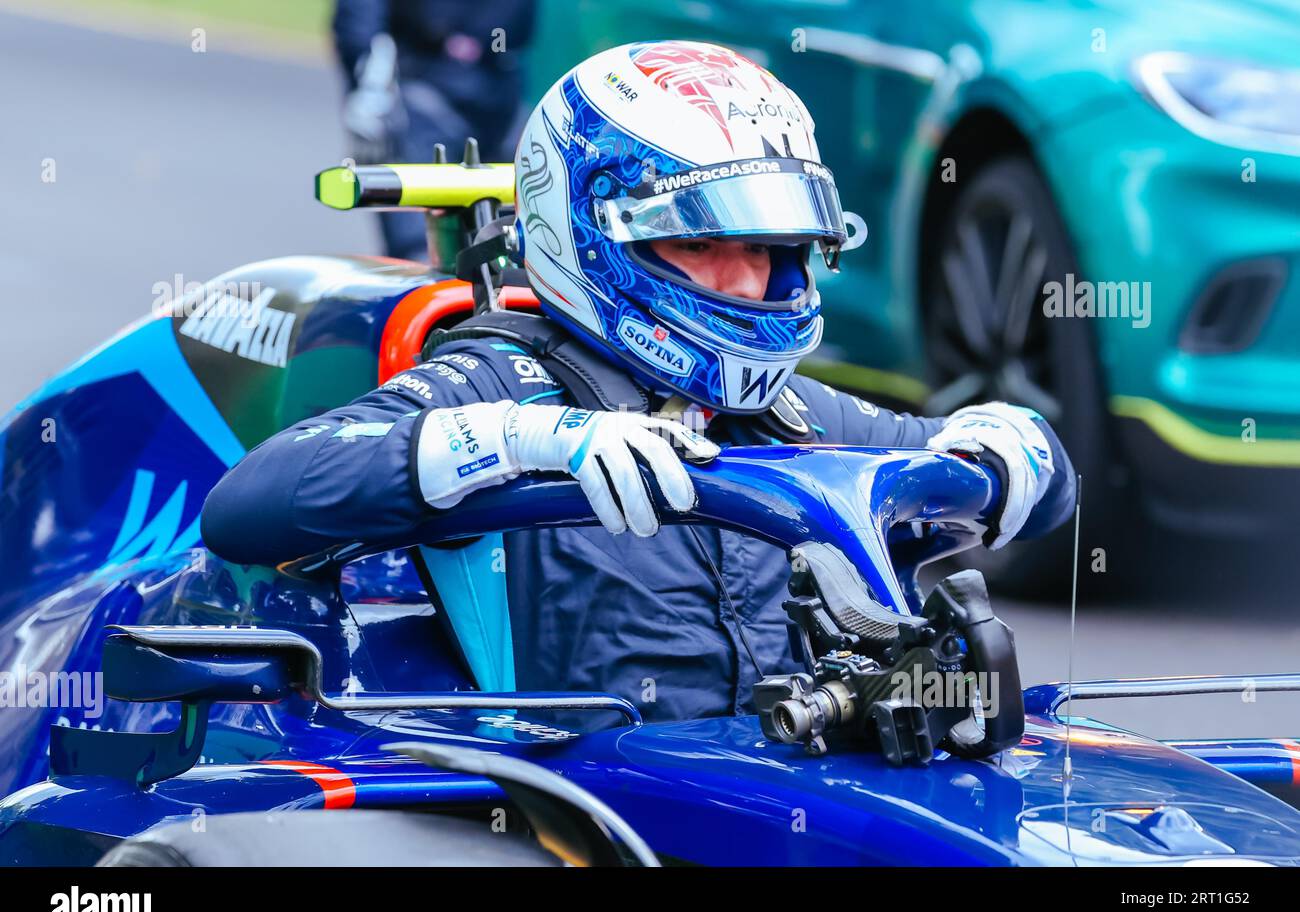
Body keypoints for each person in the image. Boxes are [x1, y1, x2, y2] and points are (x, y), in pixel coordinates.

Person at [203, 41, 1075, 721]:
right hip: (589, 810)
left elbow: (1047, 489)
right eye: (701, 242)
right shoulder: (498, 383)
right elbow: (247, 504)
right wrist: (523, 441)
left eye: (770, 250)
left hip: (794, 789)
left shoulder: (793, 411)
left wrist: (1013, 450)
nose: (743, 282)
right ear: (592, 233)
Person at [332, 0, 535, 260]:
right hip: (426, 92)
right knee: (424, 251)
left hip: (491, 96)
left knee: (506, 250)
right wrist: (369, 79)